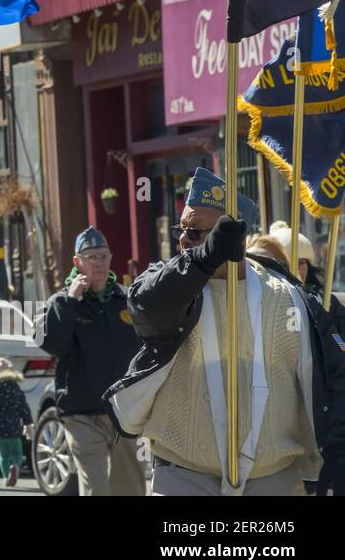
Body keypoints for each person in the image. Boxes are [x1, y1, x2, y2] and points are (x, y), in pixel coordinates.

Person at [107, 168, 345, 495]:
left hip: (273, 476)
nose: (185, 240)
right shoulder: (172, 282)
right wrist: (203, 258)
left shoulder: (288, 295)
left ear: (235, 236)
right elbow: (147, 308)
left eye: (197, 232)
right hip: (185, 474)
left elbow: (334, 378)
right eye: (183, 230)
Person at [37, 226, 144, 496]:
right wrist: (72, 301)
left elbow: (146, 349)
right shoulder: (60, 302)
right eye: (90, 257)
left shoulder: (125, 298)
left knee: (130, 488)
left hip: (123, 413)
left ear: (111, 258)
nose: (98, 262)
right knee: (96, 487)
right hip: (81, 413)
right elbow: (54, 345)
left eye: (103, 256)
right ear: (77, 262)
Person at [0, 357, 33, 487]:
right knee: (17, 453)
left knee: (3, 455)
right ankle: (15, 467)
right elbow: (23, 408)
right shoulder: (16, 389)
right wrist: (28, 423)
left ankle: (5, 477)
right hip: (14, 427)